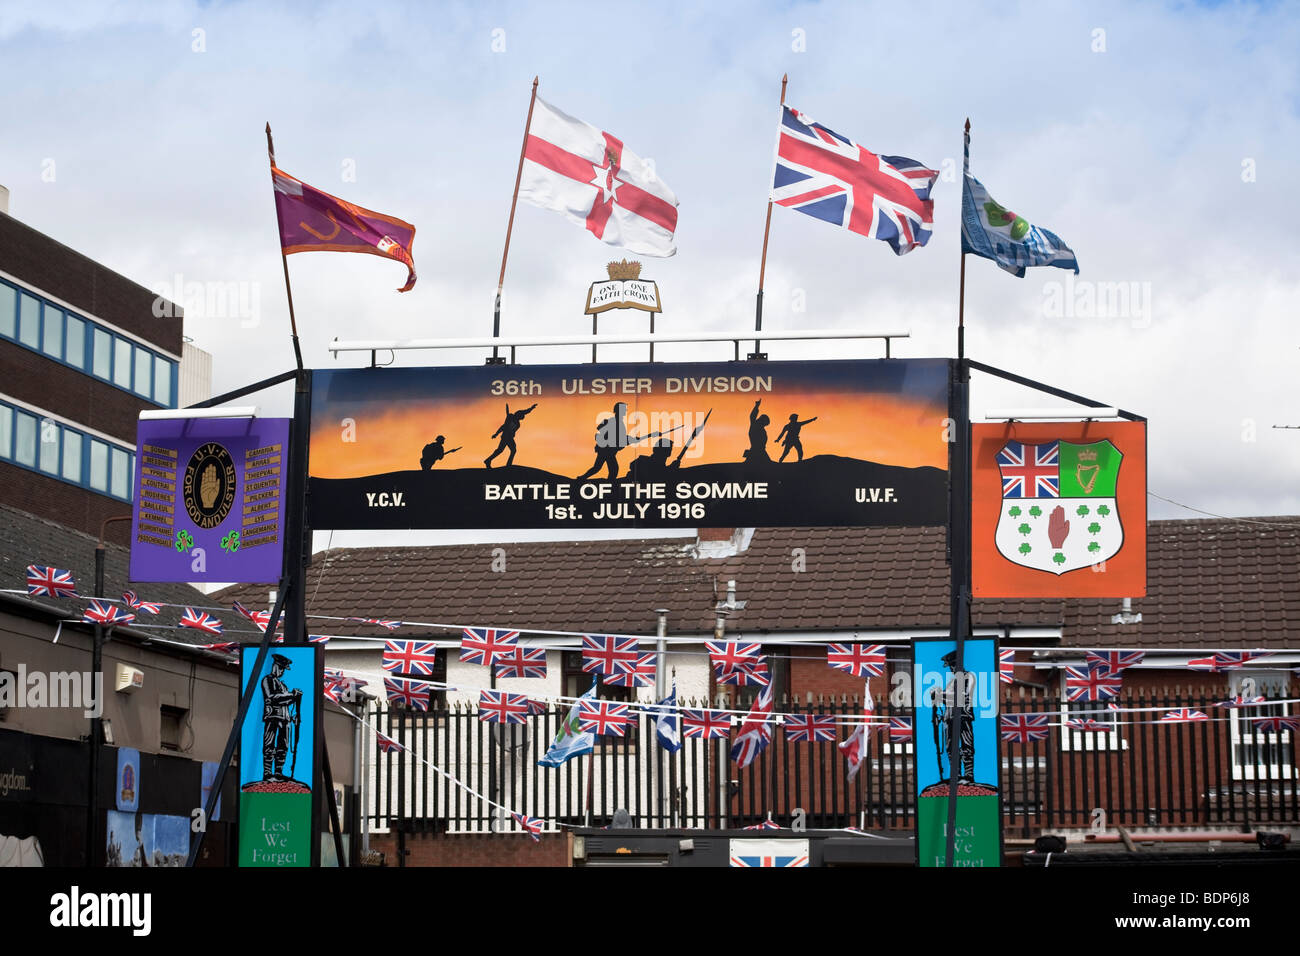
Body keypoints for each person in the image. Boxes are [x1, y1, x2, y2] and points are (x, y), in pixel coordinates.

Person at [262, 654, 301, 781]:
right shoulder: (267, 680)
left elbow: (286, 701)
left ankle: (278, 771)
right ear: (275, 666)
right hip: (273, 716)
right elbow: (272, 697)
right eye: (281, 668)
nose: (282, 671)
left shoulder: (282, 685)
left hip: (285, 719)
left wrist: (294, 697)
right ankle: (268, 772)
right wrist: (291, 695)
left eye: (284, 669)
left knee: (283, 745)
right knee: (269, 744)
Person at [484, 403, 538, 469]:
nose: (522, 417)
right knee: (503, 450)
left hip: (509, 437)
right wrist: (496, 434)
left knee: (508, 450)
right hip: (506, 437)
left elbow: (525, 412)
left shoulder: (517, 423)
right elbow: (503, 427)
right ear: (518, 415)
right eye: (521, 416)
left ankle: (492, 461)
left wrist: (531, 408)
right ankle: (491, 461)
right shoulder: (511, 417)